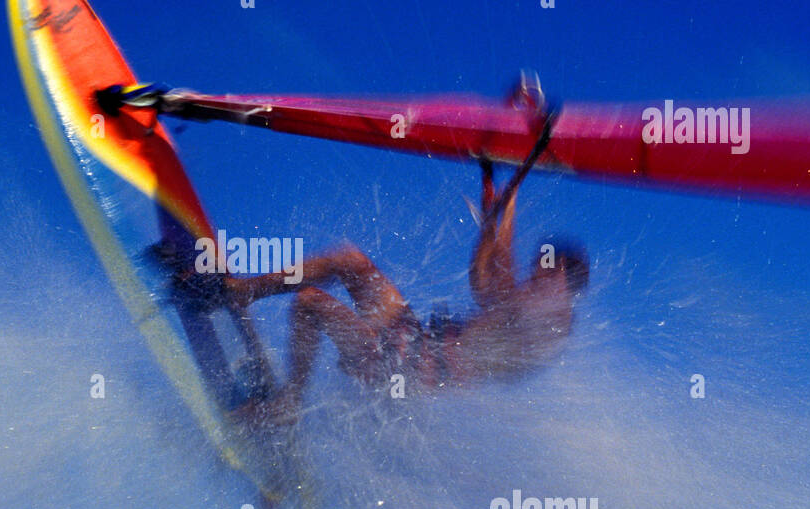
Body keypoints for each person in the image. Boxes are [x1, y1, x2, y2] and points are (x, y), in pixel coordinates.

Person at [225, 155, 589, 423]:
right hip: (411, 337)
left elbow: (497, 277)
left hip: (406, 369)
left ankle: (288, 404)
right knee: (349, 260)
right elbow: (483, 280)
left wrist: (510, 198)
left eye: (546, 272)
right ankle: (243, 292)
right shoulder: (528, 304)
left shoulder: (550, 323)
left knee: (310, 303)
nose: (534, 275)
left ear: (562, 282)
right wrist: (497, 213)